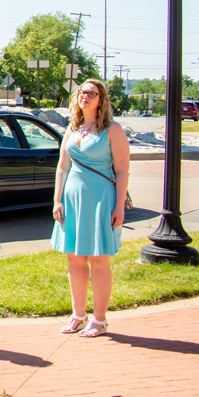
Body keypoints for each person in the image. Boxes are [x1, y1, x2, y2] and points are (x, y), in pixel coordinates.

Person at [52, 79, 130, 338]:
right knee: (74, 258)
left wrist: (119, 206)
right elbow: (62, 167)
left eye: (91, 93)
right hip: (72, 200)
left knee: (98, 259)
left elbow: (121, 170)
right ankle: (78, 315)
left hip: (101, 200)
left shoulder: (112, 129)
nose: (84, 96)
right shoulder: (72, 128)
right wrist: (57, 200)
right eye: (82, 92)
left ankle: (99, 320)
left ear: (101, 99)